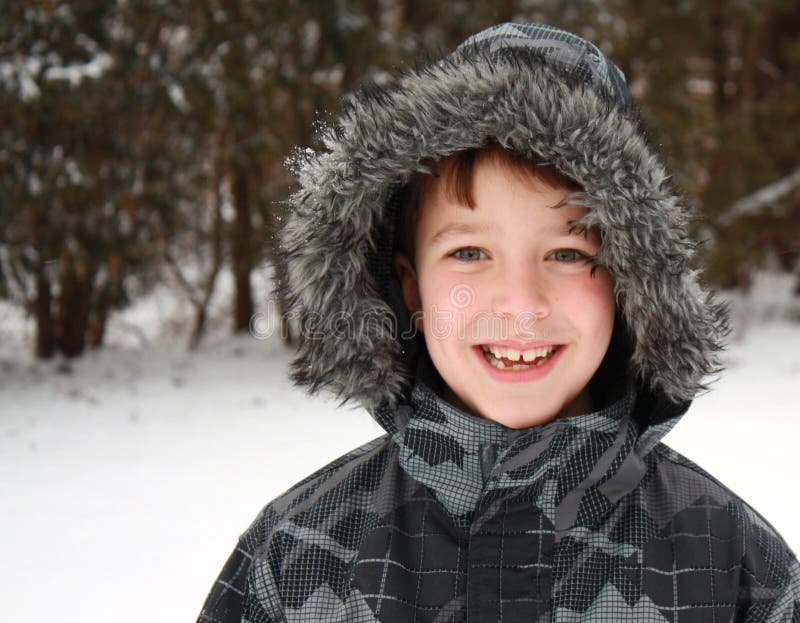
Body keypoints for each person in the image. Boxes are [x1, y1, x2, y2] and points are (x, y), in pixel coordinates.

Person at [197, 23, 799, 622]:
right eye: (469, 253)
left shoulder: (732, 567)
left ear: (632, 284)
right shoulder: (297, 556)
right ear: (411, 288)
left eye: (568, 255)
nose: (519, 304)